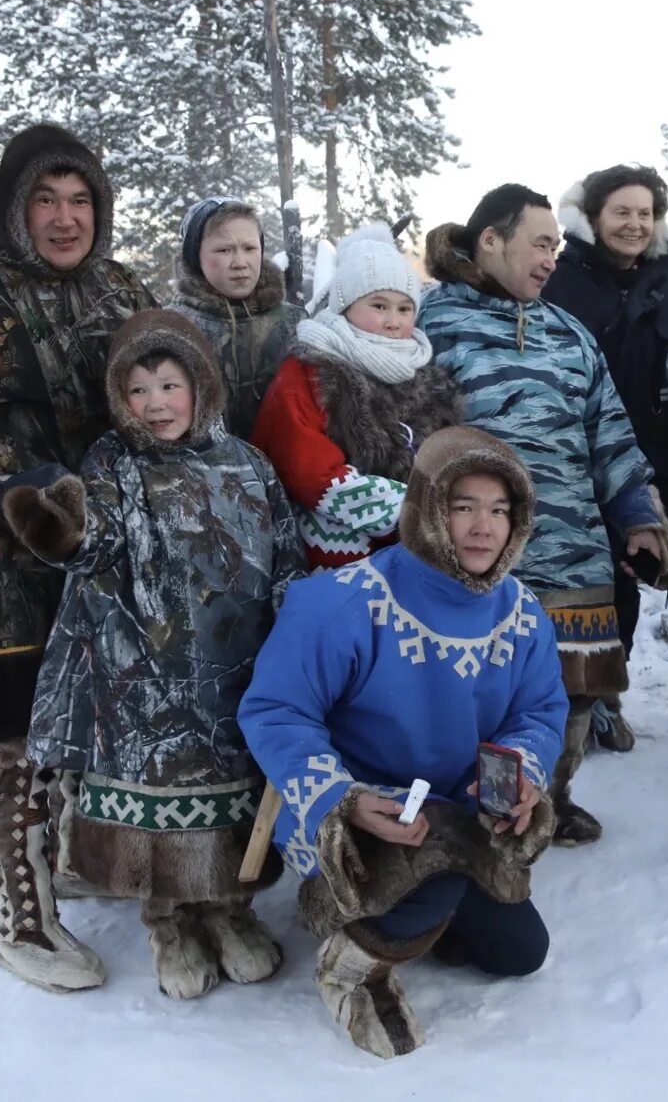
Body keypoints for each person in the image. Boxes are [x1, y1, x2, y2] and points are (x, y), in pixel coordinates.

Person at [0, 123, 156, 991]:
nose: (63, 217)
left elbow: (166, 393)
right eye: (44, 199)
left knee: (91, 706)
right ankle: (22, 917)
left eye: (79, 199)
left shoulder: (121, 289)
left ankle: (75, 856)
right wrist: (18, 484)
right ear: (15, 207)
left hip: (105, 542)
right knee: (14, 732)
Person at [236, 427, 568, 1059]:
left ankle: (420, 911)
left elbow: (540, 712)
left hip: (460, 817)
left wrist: (522, 772)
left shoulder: (523, 613)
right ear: (427, 509)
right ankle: (350, 965)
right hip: (360, 809)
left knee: (520, 953)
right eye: (463, 505)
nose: (483, 526)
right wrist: (342, 798)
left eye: (500, 510)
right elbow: (277, 711)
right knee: (433, 876)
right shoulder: (343, 601)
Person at [0, 310, 306, 994]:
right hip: (145, 678)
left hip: (235, 671)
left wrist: (296, 610)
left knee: (230, 807)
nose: (155, 403)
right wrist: (68, 531)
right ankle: (169, 925)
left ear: (200, 386)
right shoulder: (114, 460)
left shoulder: (247, 462)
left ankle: (229, 912)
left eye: (169, 384)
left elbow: (284, 542)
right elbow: (101, 533)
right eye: (137, 391)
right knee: (162, 818)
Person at [419, 184, 668, 846]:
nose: (550, 258)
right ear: (490, 240)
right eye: (539, 243)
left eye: (555, 246)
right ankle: (483, 813)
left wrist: (639, 517)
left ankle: (548, 798)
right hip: (474, 560)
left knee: (570, 696)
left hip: (573, 553)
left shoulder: (567, 331)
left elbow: (609, 434)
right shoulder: (432, 326)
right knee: (483, 701)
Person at [542, 164, 668, 752]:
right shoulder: (556, 285)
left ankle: (604, 697)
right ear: (593, 217)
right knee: (570, 581)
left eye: (645, 213)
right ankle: (554, 701)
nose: (634, 224)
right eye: (621, 211)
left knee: (629, 578)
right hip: (569, 465)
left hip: (651, 464)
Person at [250, 223, 461, 570]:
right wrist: (416, 506)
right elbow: (309, 471)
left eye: (404, 308)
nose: (394, 321)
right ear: (346, 306)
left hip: (418, 558)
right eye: (379, 305)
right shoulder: (310, 370)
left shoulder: (428, 377)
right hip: (332, 560)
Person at [169, 197, 303, 439]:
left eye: (250, 248)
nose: (240, 263)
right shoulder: (171, 327)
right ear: (194, 255)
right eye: (224, 250)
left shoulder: (295, 323)